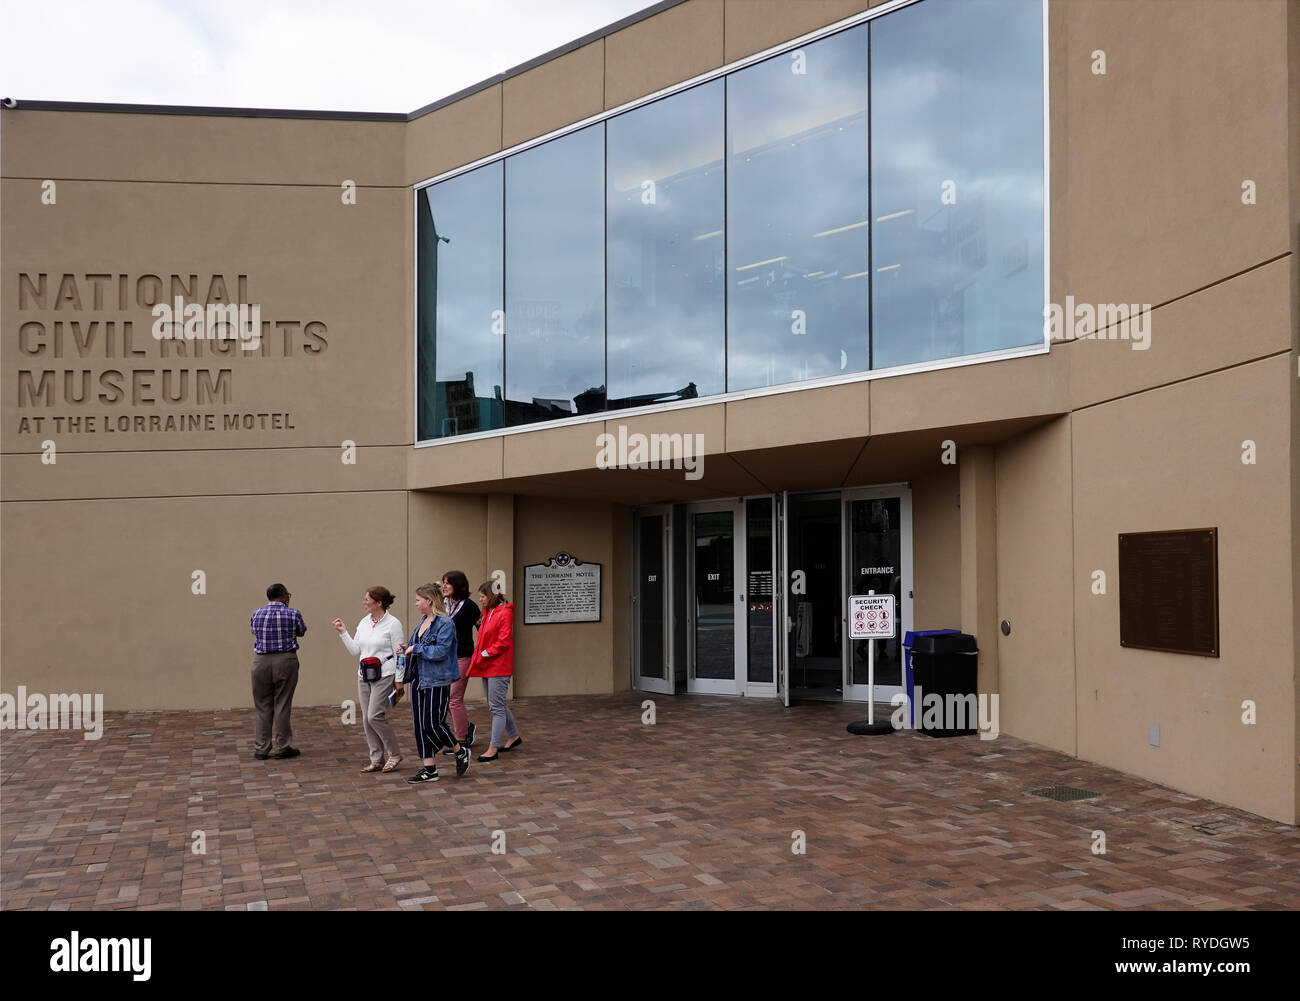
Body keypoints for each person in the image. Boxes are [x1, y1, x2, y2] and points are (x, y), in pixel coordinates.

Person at [398, 584, 471, 783]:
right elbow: (420, 647)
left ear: (429, 601)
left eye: (418, 600)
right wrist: (408, 647)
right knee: (419, 726)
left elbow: (440, 651)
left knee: (432, 723)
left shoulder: (445, 623)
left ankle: (459, 749)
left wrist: (416, 648)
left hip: (436, 680)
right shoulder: (422, 621)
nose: (416, 604)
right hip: (418, 680)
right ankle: (429, 769)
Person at [332, 586, 405, 773]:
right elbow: (355, 650)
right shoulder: (364, 622)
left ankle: (394, 754)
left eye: (367, 600)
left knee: (374, 716)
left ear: (378, 603)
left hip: (385, 674)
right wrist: (343, 632)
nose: (364, 602)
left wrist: (399, 680)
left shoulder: (393, 624)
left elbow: (400, 654)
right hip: (364, 675)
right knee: (366, 718)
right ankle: (376, 759)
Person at [249, 583, 307, 760]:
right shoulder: (293, 613)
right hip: (285, 659)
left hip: (261, 661)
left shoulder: (256, 613)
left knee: (262, 705)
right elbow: (301, 631)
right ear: (283, 596)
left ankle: (261, 748)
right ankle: (282, 746)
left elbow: (254, 631)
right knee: (282, 703)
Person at [467, 581, 521, 761]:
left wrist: (484, 653)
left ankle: (493, 747)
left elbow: (504, 641)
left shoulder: (504, 612)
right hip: (488, 663)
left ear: (491, 596)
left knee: (496, 706)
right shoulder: (489, 612)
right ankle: (513, 735)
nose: (480, 600)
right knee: (496, 703)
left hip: (499, 665)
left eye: (482, 596)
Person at [440, 570, 480, 755]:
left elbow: (482, 629)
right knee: (445, 700)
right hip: (444, 657)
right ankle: (466, 728)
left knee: (454, 699)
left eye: (448, 583)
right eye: (443, 583)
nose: (444, 586)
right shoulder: (442, 605)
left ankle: (461, 740)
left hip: (462, 656)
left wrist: (483, 652)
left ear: (458, 585)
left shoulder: (470, 606)